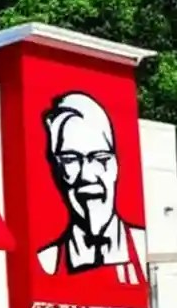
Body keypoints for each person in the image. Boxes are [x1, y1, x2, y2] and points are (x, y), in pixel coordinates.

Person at [36, 91, 148, 287]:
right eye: (70, 160)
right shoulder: (48, 261)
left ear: (115, 166)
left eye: (100, 158)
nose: (87, 175)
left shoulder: (144, 247)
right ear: (56, 170)